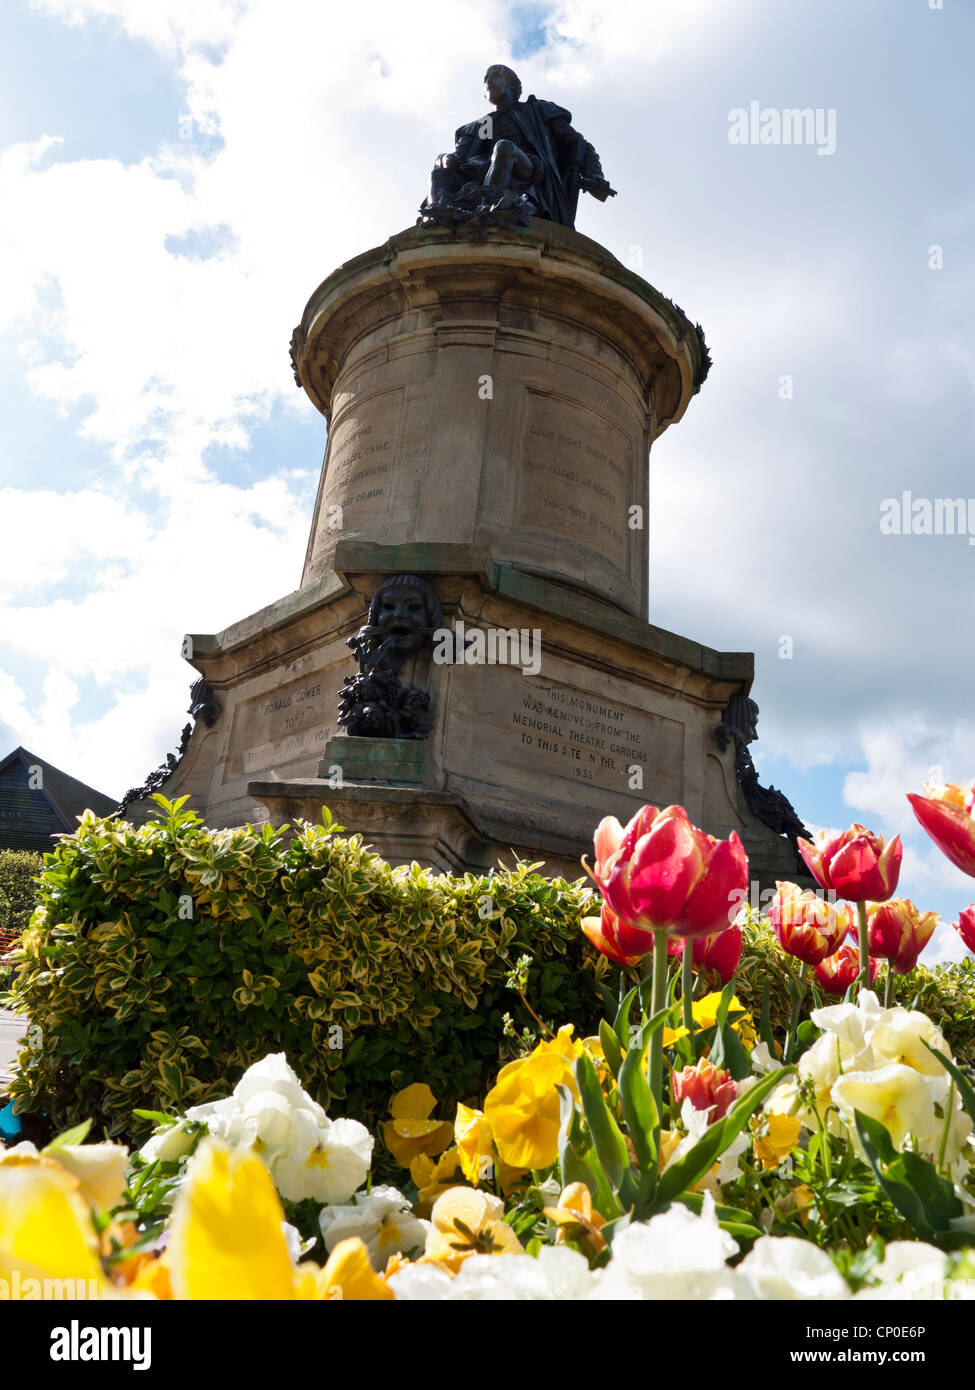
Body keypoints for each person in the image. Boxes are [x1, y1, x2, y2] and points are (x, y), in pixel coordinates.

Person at [422, 64, 614, 228]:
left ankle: (489, 207)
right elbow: (459, 156)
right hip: (485, 169)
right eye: (485, 78)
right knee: (438, 174)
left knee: (504, 147)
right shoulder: (484, 125)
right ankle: (437, 216)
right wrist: (444, 159)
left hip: (528, 168)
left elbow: (578, 143)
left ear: (512, 86)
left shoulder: (535, 110)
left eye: (495, 76)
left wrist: (594, 174)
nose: (489, 80)